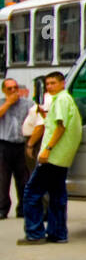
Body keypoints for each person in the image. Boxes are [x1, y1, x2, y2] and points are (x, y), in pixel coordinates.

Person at [17, 72, 83, 246]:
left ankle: (34, 233)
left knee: (31, 193)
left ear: (62, 83)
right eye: (47, 84)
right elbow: (57, 124)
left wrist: (47, 149)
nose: (49, 87)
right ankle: (58, 233)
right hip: (63, 157)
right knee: (57, 195)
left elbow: (60, 127)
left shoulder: (60, 100)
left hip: (53, 156)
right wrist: (46, 116)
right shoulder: (66, 99)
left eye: (53, 83)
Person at [0, 78, 34, 219]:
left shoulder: (27, 104)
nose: (14, 91)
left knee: (23, 179)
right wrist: (8, 103)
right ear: (4, 91)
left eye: (15, 88)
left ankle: (23, 208)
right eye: (10, 89)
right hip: (4, 144)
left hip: (21, 144)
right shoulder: (2, 103)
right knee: (2, 179)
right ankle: (2, 208)